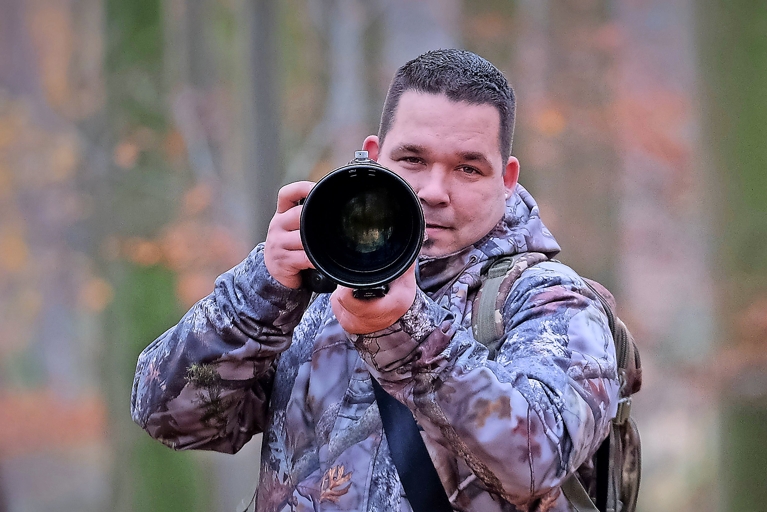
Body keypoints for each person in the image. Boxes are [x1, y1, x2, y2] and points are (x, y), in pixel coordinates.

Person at [131, 48, 619, 512]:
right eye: (413, 160)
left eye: (468, 168)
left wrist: (406, 335)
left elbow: (535, 464)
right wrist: (262, 290)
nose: (434, 190)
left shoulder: (551, 301)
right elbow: (168, 417)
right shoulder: (316, 288)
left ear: (506, 179)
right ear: (375, 155)